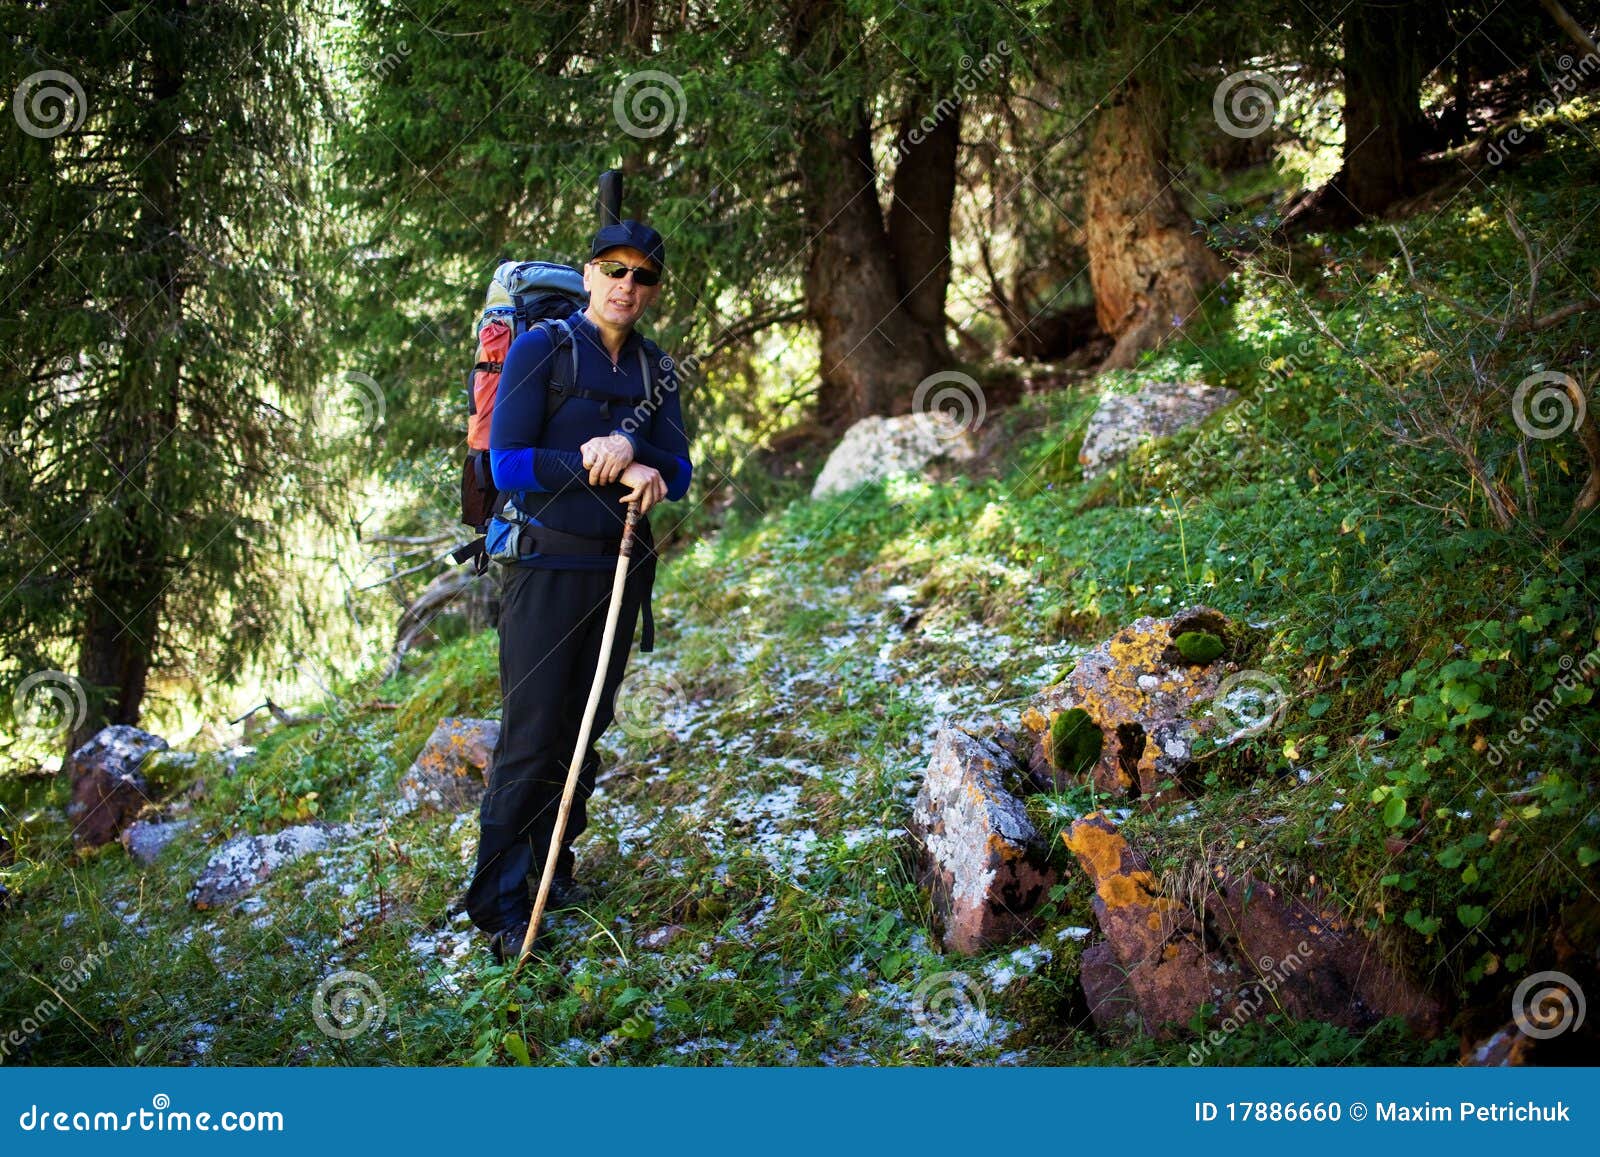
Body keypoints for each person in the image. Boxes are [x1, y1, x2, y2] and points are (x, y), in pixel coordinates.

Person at [465, 219, 692, 963]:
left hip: (620, 570)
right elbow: (509, 464)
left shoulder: (655, 368)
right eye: (614, 269)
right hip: (544, 569)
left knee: (584, 727)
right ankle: (501, 908)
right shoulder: (543, 348)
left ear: (653, 288)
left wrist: (634, 446)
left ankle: (550, 868)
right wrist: (604, 464)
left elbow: (680, 471)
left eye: (643, 275)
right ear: (589, 274)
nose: (627, 285)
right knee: (531, 735)